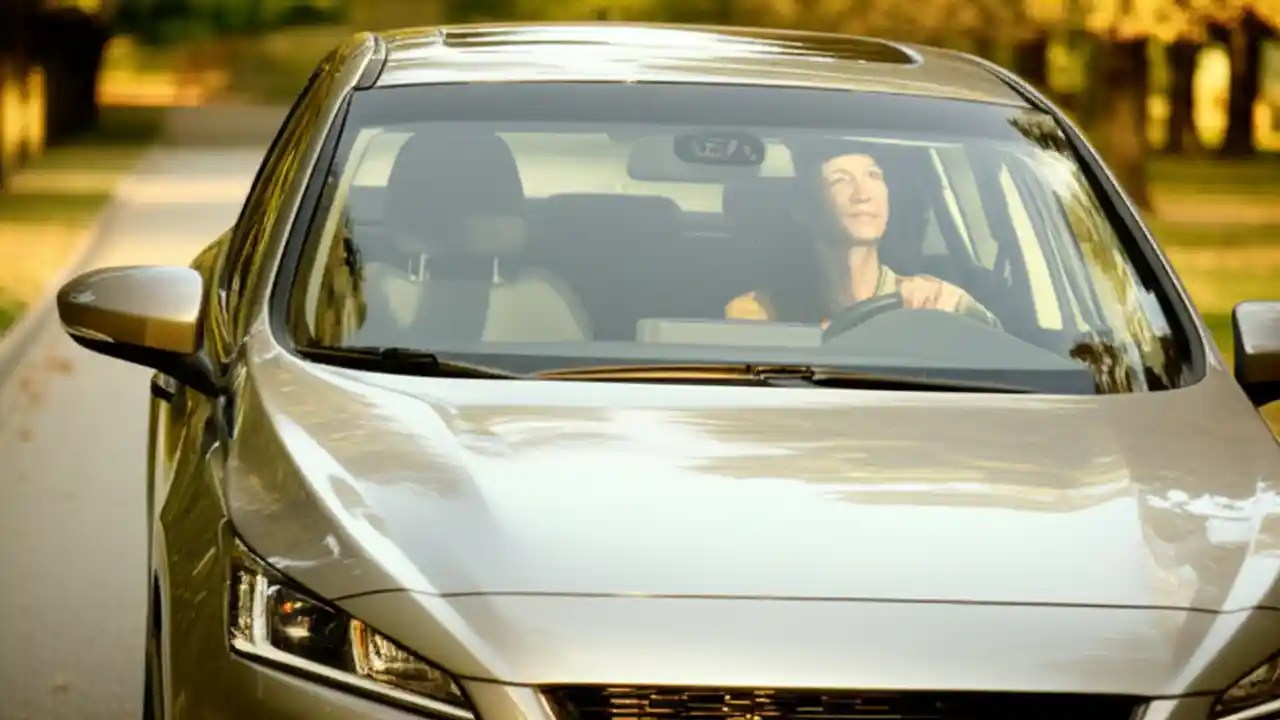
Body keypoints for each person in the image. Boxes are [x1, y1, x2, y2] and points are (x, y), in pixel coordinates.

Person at [725, 140, 1000, 330]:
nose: (863, 195)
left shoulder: (931, 300)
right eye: (840, 180)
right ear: (803, 209)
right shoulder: (762, 312)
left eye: (874, 176)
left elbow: (1003, 356)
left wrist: (958, 313)